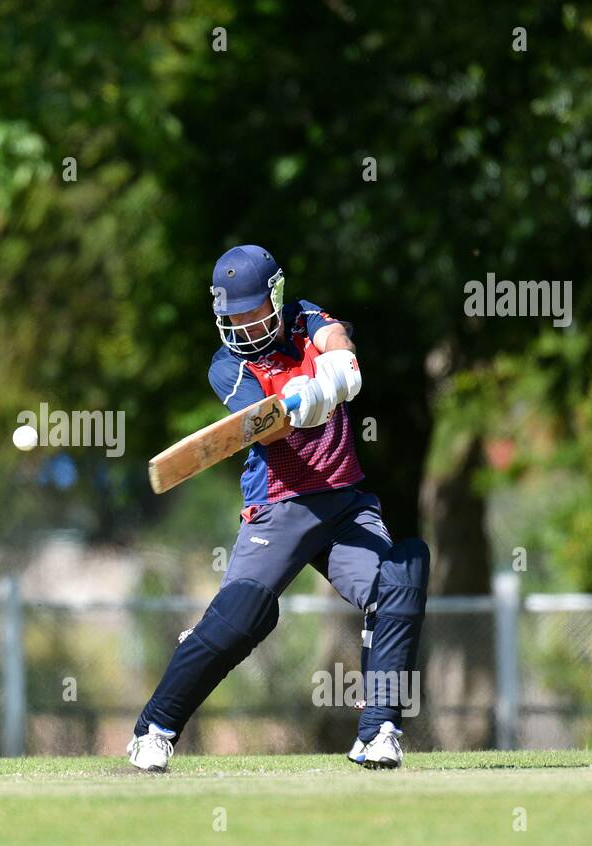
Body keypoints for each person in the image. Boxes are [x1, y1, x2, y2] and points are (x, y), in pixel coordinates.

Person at [127, 245, 429, 771]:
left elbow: (337, 339)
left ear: (277, 297)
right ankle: (154, 729)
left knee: (401, 575)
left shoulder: (305, 317)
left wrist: (337, 364)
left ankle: (379, 729)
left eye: (253, 313)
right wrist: (308, 396)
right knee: (240, 620)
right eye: (233, 318)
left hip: (345, 504)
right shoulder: (228, 369)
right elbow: (280, 421)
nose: (244, 327)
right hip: (278, 506)